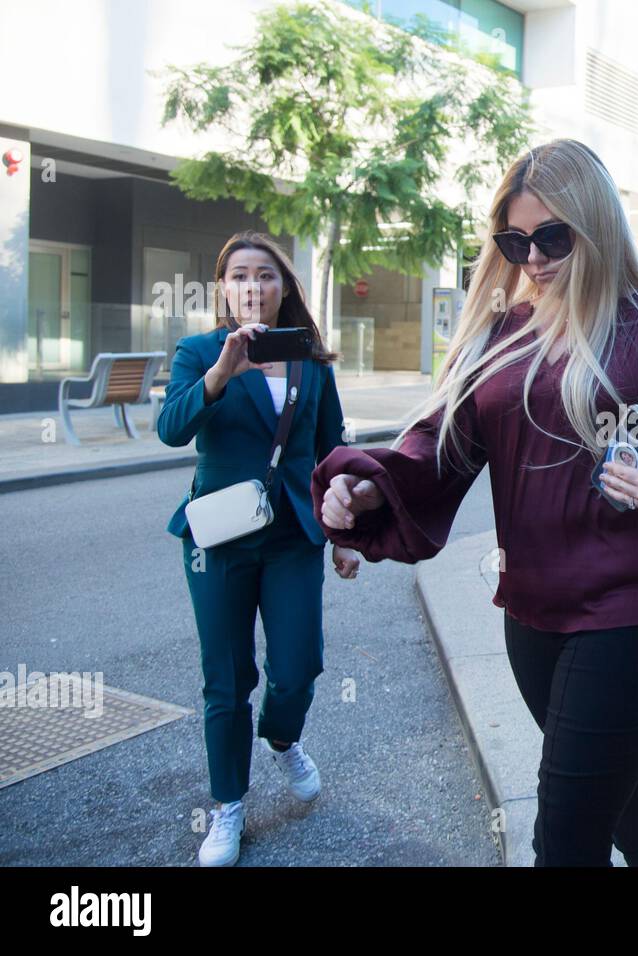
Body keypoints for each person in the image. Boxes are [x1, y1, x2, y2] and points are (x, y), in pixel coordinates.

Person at [312, 139, 638, 867]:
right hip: (532, 613)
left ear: (594, 225)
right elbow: (438, 451)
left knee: (563, 837)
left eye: (551, 237)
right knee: (622, 813)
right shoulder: (500, 336)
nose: (530, 258)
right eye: (514, 240)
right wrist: (368, 485)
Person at [158, 232, 359, 867]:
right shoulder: (197, 353)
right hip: (218, 539)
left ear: (282, 287)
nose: (253, 287)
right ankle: (228, 808)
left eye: (265, 276)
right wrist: (221, 374)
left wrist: (345, 535)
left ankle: (282, 737)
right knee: (226, 677)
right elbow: (171, 428)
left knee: (298, 666)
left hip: (292, 535)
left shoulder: (310, 358)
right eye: (240, 276)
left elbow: (332, 450)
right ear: (223, 287)